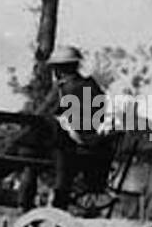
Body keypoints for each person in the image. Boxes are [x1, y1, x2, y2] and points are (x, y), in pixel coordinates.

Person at [9, 45, 114, 210]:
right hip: (92, 143)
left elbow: (40, 116)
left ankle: (20, 199)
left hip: (66, 144)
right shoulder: (93, 86)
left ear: (58, 69)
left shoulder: (63, 88)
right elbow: (102, 113)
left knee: (29, 152)